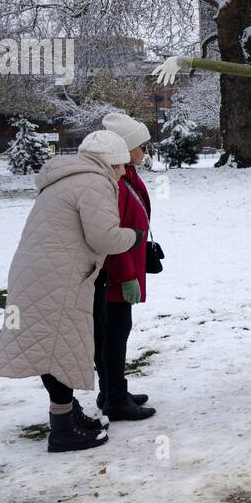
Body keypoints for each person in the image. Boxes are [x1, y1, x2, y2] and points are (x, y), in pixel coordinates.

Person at [0, 130, 143, 453]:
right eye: (119, 167)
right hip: (60, 277)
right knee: (58, 347)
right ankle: (63, 429)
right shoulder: (95, 182)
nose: (121, 174)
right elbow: (103, 238)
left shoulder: (65, 178)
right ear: (109, 162)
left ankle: (67, 413)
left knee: (49, 344)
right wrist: (134, 236)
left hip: (37, 272)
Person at [93, 112, 157, 422]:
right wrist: (127, 276)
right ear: (124, 147)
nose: (146, 150)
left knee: (114, 331)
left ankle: (112, 391)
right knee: (113, 334)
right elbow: (111, 234)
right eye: (141, 145)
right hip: (115, 273)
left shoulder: (126, 174)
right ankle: (115, 399)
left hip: (125, 267)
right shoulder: (115, 181)